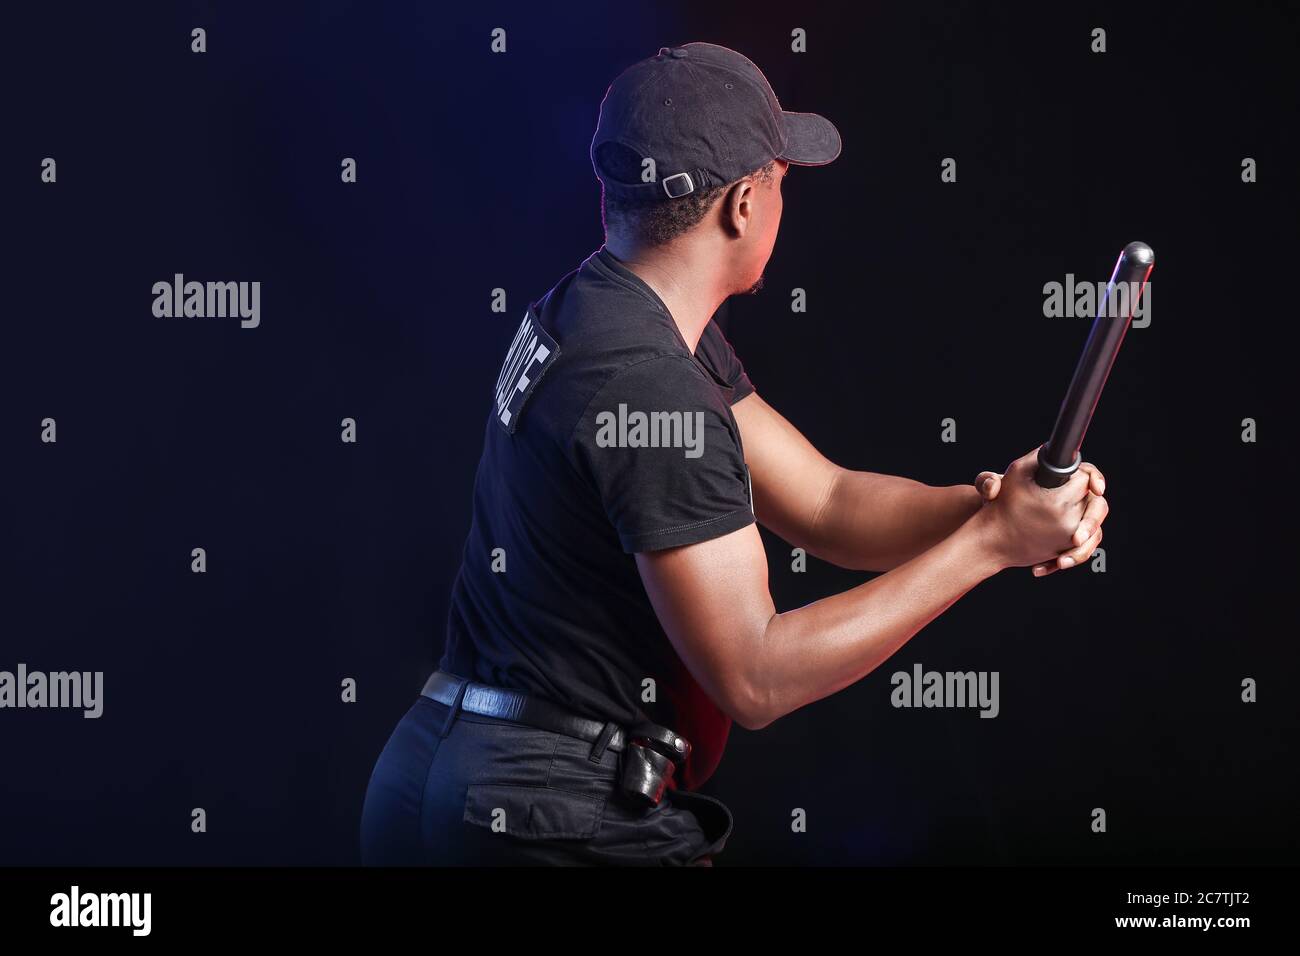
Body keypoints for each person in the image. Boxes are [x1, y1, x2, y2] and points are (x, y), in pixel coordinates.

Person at [360, 41, 1108, 866]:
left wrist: (1004, 503)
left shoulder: (604, 310)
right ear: (744, 203)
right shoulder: (648, 387)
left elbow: (826, 502)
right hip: (542, 819)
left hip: (439, 778)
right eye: (783, 179)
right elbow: (757, 679)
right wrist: (992, 546)